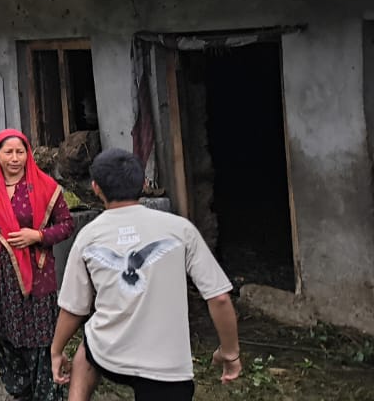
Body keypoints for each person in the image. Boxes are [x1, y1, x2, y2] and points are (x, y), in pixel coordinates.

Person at [49, 148, 242, 401]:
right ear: (142, 183)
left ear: (96, 188)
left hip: (108, 353)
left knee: (89, 347)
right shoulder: (179, 229)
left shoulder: (88, 236)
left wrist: (56, 351)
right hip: (165, 365)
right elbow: (219, 298)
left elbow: (74, 308)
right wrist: (230, 354)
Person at [0, 128, 75, 401]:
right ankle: (19, 390)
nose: (15, 158)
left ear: (28, 154)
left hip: (36, 277)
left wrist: (38, 236)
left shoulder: (45, 186)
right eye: (8, 152)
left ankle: (46, 392)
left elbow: (67, 225)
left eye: (20, 152)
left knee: (41, 337)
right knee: (4, 335)